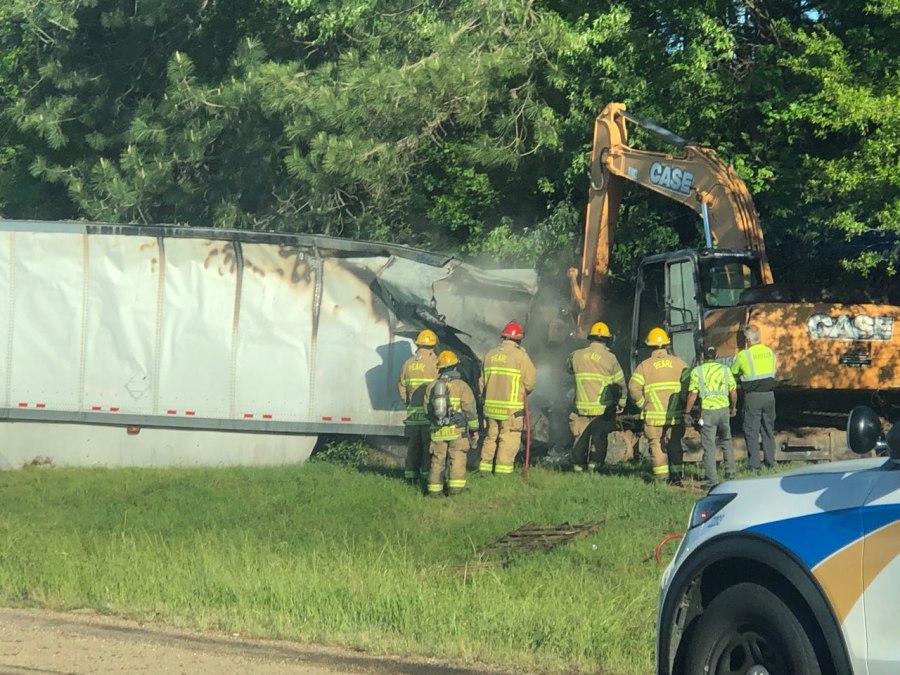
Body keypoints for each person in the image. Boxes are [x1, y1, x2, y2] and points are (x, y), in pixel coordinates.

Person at [628, 327, 688, 485]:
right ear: (667, 345)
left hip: (653, 415)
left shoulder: (644, 366)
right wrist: (682, 401)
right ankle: (677, 477)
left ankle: (661, 479)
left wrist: (643, 405)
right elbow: (689, 384)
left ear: (650, 346)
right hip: (675, 414)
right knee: (675, 443)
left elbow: (633, 388)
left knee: (656, 444)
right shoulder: (679, 363)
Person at [566, 321, 627, 473]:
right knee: (598, 440)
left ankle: (578, 469)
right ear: (606, 339)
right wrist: (622, 402)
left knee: (580, 439)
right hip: (602, 410)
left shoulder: (576, 355)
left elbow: (568, 369)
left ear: (590, 338)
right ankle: (595, 469)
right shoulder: (610, 358)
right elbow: (620, 383)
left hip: (581, 407)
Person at [478, 321, 537, 476]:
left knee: (490, 438)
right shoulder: (520, 356)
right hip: (511, 409)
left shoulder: (490, 354)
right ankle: (502, 473)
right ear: (519, 339)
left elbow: (481, 383)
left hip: (490, 408)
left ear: (503, 337)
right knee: (508, 438)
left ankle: (484, 469)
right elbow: (530, 383)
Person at [423, 350, 479, 497]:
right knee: (457, 459)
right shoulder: (461, 386)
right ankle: (456, 491)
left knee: (437, 460)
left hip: (438, 431)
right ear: (455, 367)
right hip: (457, 431)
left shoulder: (432, 386)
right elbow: (470, 410)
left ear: (440, 368)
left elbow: (427, 410)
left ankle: (434, 492)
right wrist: (474, 429)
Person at [684, 344, 738, 487]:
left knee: (709, 446)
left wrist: (687, 412)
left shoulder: (697, 372)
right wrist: (733, 408)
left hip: (708, 412)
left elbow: (692, 395)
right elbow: (733, 392)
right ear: (716, 355)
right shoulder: (725, 370)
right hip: (724, 410)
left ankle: (712, 480)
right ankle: (730, 472)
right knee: (726, 441)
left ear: (702, 355)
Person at [731, 324, 777, 471]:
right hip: (769, 395)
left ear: (747, 340)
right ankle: (770, 461)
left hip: (753, 397)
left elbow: (733, 371)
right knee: (768, 429)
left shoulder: (744, 355)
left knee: (751, 430)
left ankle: (754, 464)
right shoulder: (770, 352)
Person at [398, 329, 439, 484]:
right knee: (428, 448)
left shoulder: (408, 364)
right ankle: (425, 477)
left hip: (412, 415)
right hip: (428, 415)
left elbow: (402, 386)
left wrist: (408, 403)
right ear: (433, 346)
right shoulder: (435, 364)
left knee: (413, 448)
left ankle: (410, 478)